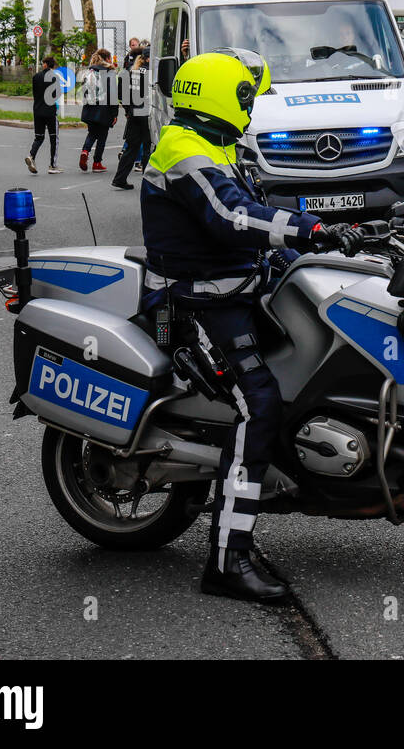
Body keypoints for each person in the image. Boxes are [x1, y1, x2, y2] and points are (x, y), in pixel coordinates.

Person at [140, 49, 363, 603]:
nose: (251, 105)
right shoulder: (184, 152)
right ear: (218, 95)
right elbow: (232, 218)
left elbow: (256, 205)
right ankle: (227, 561)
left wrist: (342, 230)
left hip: (234, 291)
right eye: (245, 95)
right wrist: (308, 229)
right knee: (256, 403)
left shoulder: (212, 145)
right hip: (196, 306)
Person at [111, 46, 154, 190]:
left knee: (131, 148)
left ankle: (119, 178)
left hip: (134, 114)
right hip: (147, 113)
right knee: (148, 147)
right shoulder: (151, 72)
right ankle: (148, 182)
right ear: (149, 58)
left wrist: (128, 110)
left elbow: (121, 94)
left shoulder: (130, 71)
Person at [78, 48, 116, 173]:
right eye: (110, 58)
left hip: (90, 107)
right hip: (104, 108)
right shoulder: (109, 72)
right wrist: (114, 113)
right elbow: (112, 94)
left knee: (92, 132)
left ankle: (85, 151)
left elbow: (83, 91)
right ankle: (97, 162)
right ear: (107, 59)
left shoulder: (89, 71)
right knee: (102, 136)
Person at [26, 56, 63, 175]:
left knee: (39, 137)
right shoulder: (54, 77)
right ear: (52, 65)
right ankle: (53, 165)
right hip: (50, 112)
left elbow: (34, 93)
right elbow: (57, 94)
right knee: (54, 138)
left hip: (37, 110)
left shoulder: (36, 77)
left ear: (46, 64)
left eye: (43, 63)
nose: (42, 65)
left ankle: (31, 156)